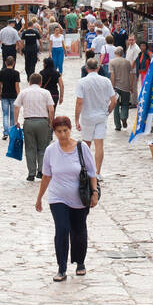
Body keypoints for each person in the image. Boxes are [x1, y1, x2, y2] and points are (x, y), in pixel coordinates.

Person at [35, 116, 99, 282]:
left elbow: (92, 172)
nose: (62, 135)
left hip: (80, 197)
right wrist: (39, 197)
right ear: (54, 132)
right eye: (59, 131)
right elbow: (47, 176)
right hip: (58, 197)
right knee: (62, 230)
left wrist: (94, 192)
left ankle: (80, 262)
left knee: (78, 231)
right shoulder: (50, 151)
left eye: (65, 131)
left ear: (70, 129)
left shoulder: (81, 147)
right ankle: (61, 268)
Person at [74, 58, 116, 173]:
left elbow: (79, 102)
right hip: (101, 116)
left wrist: (76, 119)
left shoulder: (82, 82)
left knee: (86, 145)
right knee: (99, 145)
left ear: (86, 69)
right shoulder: (106, 81)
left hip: (87, 116)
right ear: (98, 68)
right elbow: (114, 101)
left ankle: (87, 171)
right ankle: (97, 172)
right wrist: (108, 112)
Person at [17, 73, 55, 181]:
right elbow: (51, 109)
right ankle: (41, 171)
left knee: (30, 148)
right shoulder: (45, 92)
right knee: (43, 148)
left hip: (28, 121)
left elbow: (16, 106)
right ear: (41, 82)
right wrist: (50, 122)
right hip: (43, 121)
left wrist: (16, 121)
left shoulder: (24, 92)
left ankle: (31, 173)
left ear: (29, 82)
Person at [108, 47, 135, 132]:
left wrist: (112, 87)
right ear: (122, 53)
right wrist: (131, 86)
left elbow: (112, 76)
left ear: (115, 53)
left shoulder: (112, 62)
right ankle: (123, 117)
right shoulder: (127, 62)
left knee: (115, 106)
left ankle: (118, 126)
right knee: (125, 104)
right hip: (126, 86)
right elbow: (131, 75)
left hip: (116, 87)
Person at [0, 55, 21, 141]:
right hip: (14, 96)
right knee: (12, 116)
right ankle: (11, 132)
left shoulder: (1, 72)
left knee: (5, 114)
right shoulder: (16, 73)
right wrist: (19, 96)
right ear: (14, 63)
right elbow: (17, 86)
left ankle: (5, 132)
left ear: (5, 63)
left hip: (4, 95)